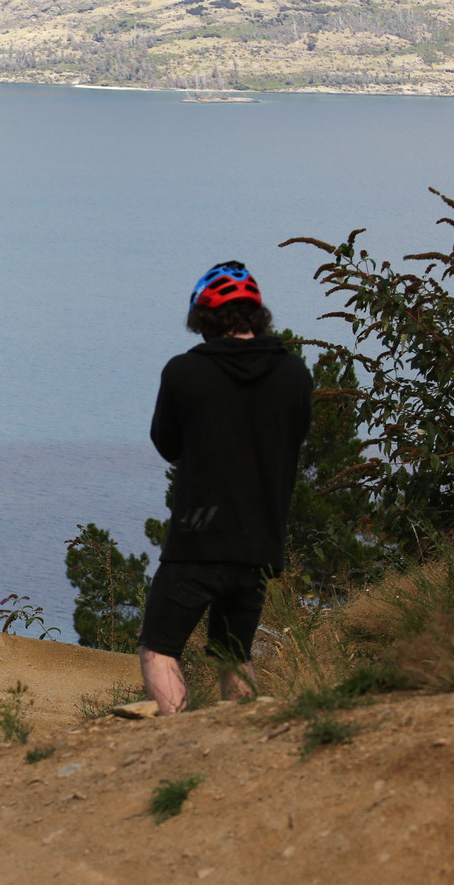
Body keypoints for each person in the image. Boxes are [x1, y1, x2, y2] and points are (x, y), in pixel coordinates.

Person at [138, 261, 312, 715]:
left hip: (199, 539)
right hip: (260, 543)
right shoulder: (295, 373)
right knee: (233, 652)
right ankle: (244, 740)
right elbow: (296, 437)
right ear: (257, 315)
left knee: (159, 648)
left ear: (202, 318)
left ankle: (175, 735)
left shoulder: (183, 373)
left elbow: (167, 445)